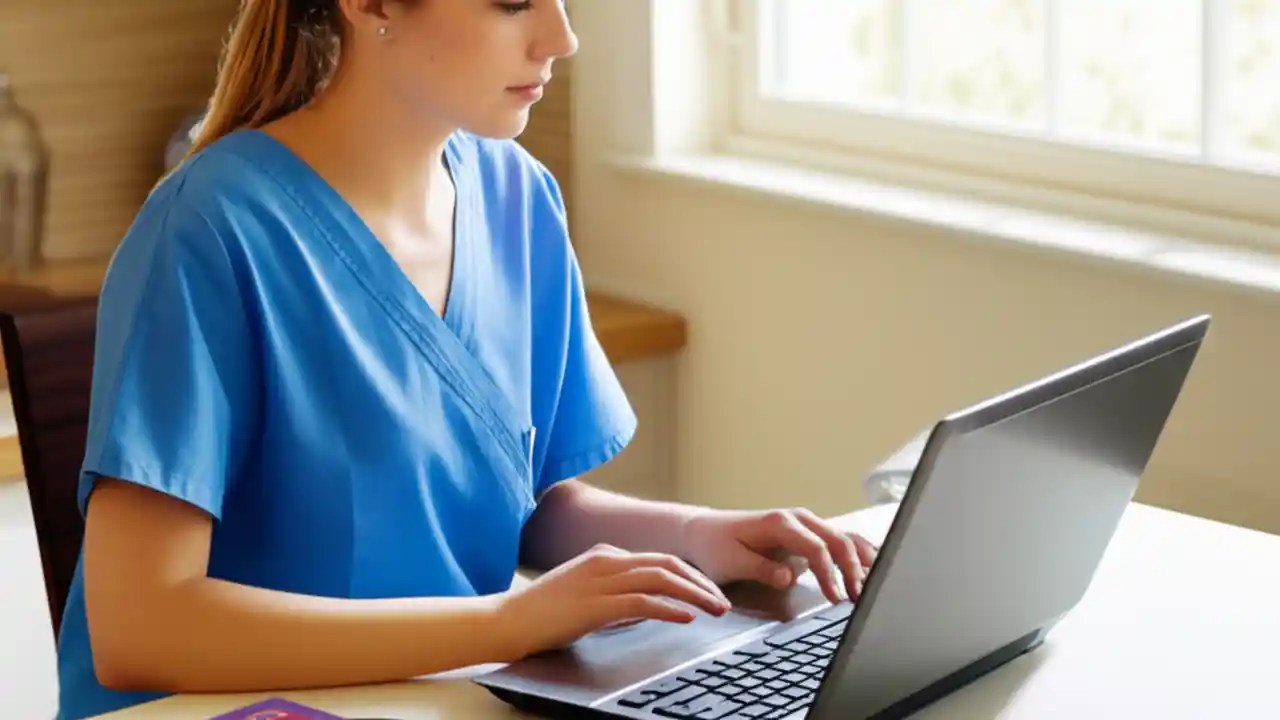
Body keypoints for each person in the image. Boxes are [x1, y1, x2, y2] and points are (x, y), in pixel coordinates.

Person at [55, 1, 879, 718]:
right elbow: (141, 630)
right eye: (512, 1)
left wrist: (703, 536)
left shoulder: (518, 196)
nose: (561, 37)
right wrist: (506, 624)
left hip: (434, 695)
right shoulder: (210, 231)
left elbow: (522, 505)